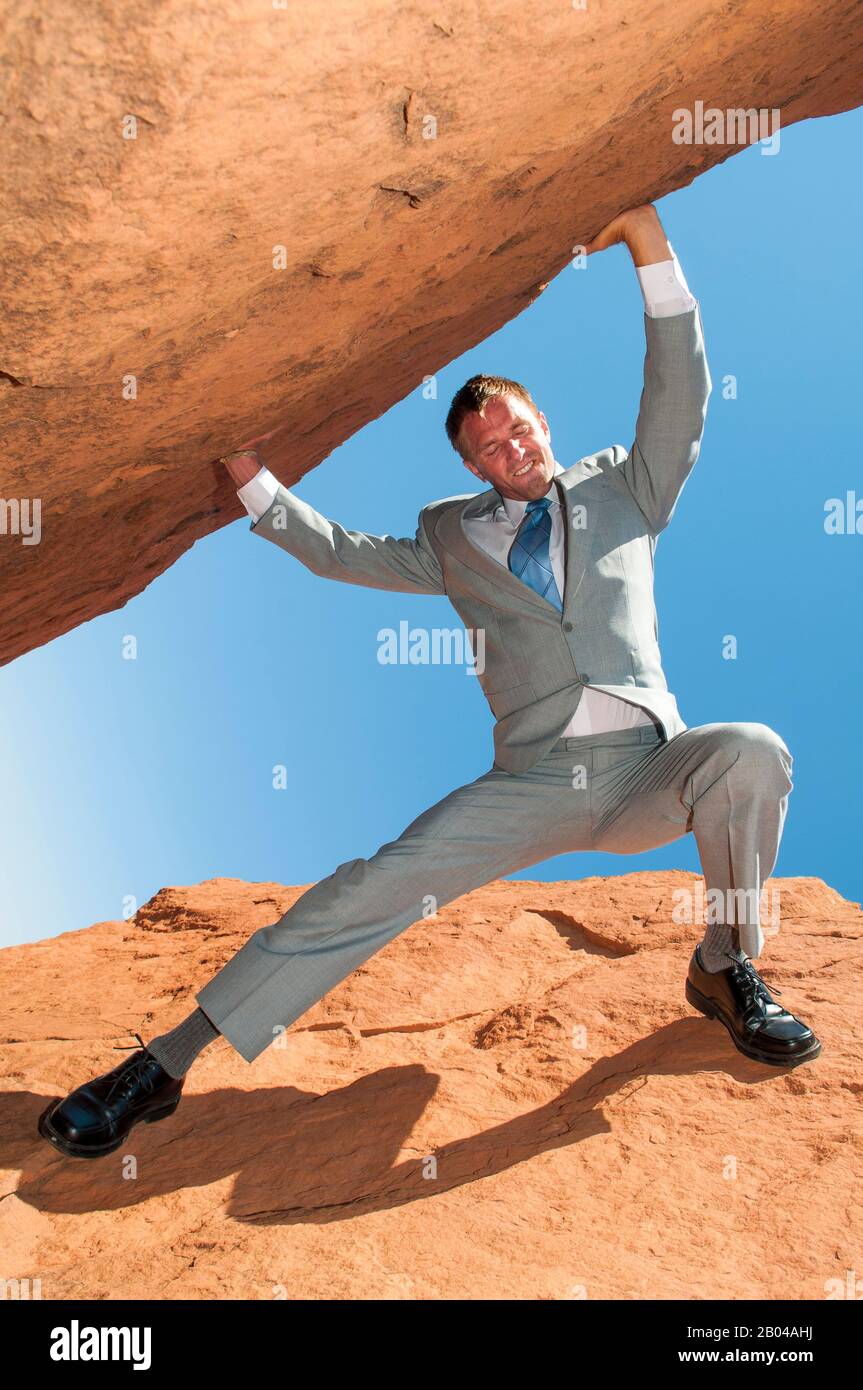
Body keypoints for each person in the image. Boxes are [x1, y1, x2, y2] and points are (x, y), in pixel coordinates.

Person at [38, 203, 820, 1160]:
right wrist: (251, 482)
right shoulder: (450, 537)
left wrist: (646, 242)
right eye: (490, 447)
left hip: (649, 770)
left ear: (544, 425)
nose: (512, 452)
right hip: (530, 779)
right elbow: (342, 554)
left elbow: (678, 397)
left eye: (521, 431)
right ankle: (163, 1065)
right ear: (468, 463)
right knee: (375, 885)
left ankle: (726, 964)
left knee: (751, 752)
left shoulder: (627, 487)